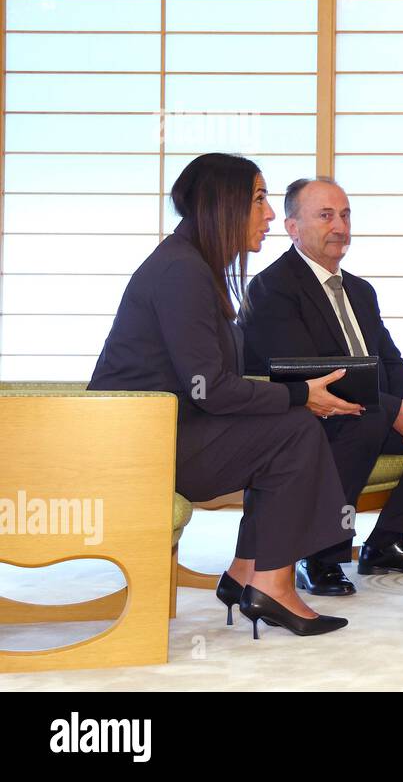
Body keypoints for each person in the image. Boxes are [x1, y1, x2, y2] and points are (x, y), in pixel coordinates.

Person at [89, 153, 364, 638]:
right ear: (225, 204)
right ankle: (271, 584)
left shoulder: (193, 264)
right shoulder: (181, 271)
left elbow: (208, 384)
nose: (270, 214)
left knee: (289, 427)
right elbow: (211, 387)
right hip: (138, 446)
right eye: (259, 199)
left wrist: (298, 397)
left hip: (168, 428)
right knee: (294, 430)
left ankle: (247, 573)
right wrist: (300, 396)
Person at [239, 177, 403, 598]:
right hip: (304, 418)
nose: (340, 226)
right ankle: (320, 554)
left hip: (368, 413)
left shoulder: (360, 291)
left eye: (345, 215)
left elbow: (389, 359)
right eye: (326, 215)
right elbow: (304, 373)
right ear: (292, 227)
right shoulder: (273, 288)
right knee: (371, 415)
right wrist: (392, 410)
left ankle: (389, 542)